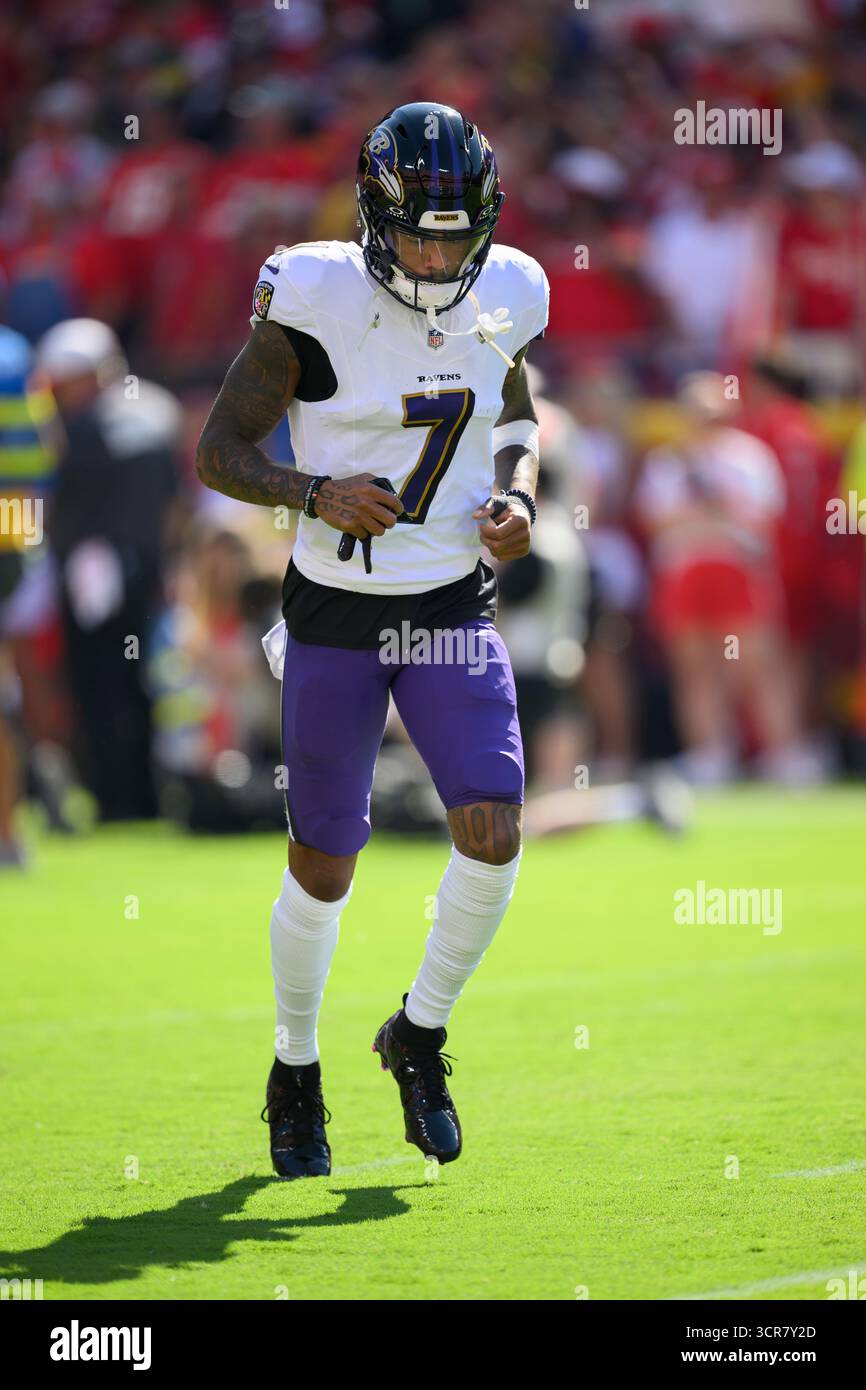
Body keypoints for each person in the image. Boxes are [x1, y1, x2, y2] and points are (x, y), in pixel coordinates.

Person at [196, 102, 549, 1179]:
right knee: (325, 863)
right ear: (370, 218)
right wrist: (311, 490)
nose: (437, 256)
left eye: (455, 233)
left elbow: (513, 403)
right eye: (416, 233)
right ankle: (293, 1064)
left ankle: (419, 1033)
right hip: (336, 613)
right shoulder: (313, 296)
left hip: (446, 601)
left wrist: (517, 492)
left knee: (491, 826)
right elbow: (220, 448)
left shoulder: (512, 288)